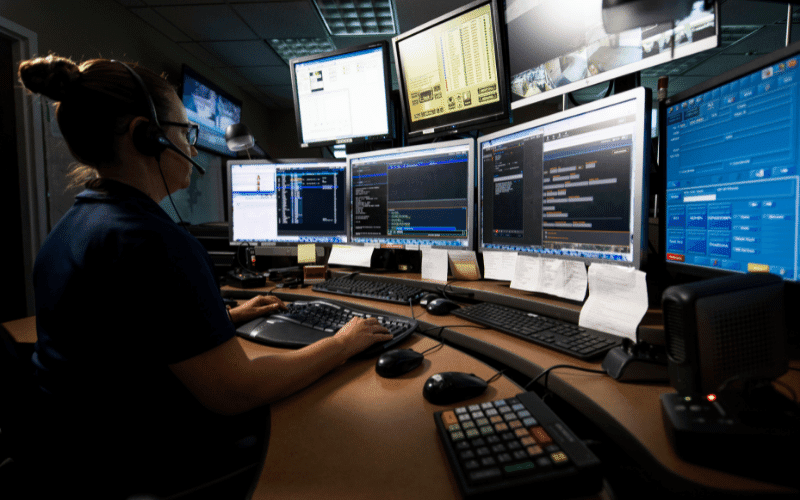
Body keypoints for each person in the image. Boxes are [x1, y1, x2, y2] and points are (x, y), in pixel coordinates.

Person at [17, 54, 392, 499]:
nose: (192, 150)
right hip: (138, 467)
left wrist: (229, 315)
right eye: (185, 132)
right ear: (148, 135)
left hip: (72, 458)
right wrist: (343, 343)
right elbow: (234, 391)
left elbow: (132, 339)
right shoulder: (152, 242)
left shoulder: (72, 229)